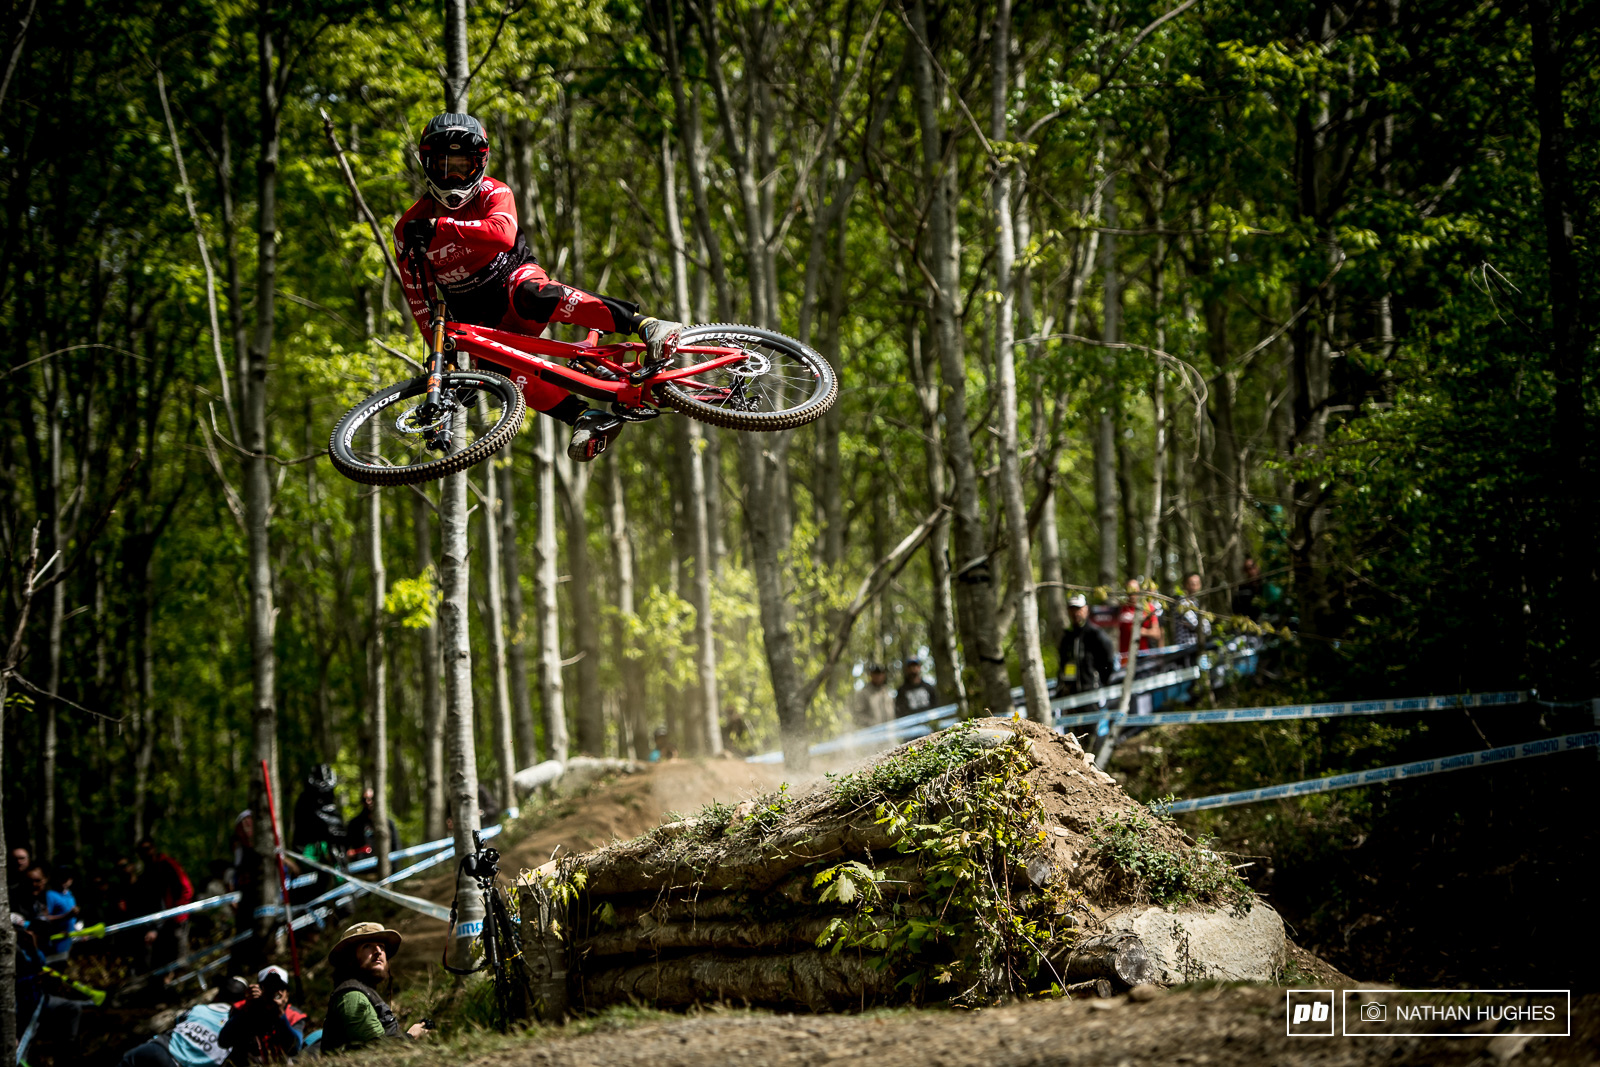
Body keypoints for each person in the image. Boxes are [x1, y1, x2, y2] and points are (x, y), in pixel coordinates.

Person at [394, 112, 685, 463]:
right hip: (478, 319)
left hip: (513, 282)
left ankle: (647, 325)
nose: (452, 176)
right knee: (500, 371)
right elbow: (421, 300)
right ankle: (586, 417)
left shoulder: (492, 192)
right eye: (443, 166)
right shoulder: (409, 227)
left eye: (461, 165)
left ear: (479, 164)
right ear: (427, 165)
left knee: (534, 295)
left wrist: (439, 227)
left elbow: (502, 233)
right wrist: (446, 360)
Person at [320, 922, 428, 1054]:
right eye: (367, 946)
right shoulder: (352, 996)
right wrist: (411, 1036)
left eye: (381, 946)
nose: (378, 952)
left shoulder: (364, 992)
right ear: (350, 958)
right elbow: (376, 1050)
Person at [115, 976, 248, 1067]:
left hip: (157, 1049)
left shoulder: (199, 1009)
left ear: (217, 994)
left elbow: (177, 1022)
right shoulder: (240, 1028)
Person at [218, 966, 306, 1063]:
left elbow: (295, 1048)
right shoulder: (244, 1008)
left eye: (279, 988)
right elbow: (224, 1041)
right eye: (268, 987)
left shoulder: (293, 1015)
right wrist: (247, 1010)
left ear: (287, 994)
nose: (273, 992)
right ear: (259, 990)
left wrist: (280, 1015)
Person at [137, 837, 194, 971]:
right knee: (164, 958)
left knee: (181, 956)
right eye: (142, 850)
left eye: (148, 849)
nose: (146, 853)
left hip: (177, 918)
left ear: (154, 848)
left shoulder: (167, 864)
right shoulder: (147, 873)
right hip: (161, 922)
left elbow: (187, 888)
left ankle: (186, 983)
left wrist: (179, 910)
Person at [1058, 594, 1116, 693]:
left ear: (1086, 609)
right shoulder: (1067, 637)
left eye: (1078, 609)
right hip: (1072, 693)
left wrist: (1102, 682)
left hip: (1093, 691)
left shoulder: (1095, 634)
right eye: (1072, 609)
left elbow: (1109, 660)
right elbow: (1063, 664)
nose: (1076, 613)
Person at [345, 787, 401, 861]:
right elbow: (346, 848)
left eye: (371, 799)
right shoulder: (354, 824)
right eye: (365, 799)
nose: (369, 802)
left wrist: (392, 868)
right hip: (361, 869)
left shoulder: (388, 824)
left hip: (384, 869)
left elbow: (396, 847)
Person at [1115, 579, 1163, 659]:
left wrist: (1141, 631)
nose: (1132, 593)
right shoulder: (1121, 609)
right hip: (1124, 656)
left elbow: (1157, 634)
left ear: (1139, 590)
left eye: (1134, 590)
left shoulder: (1148, 608)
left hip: (1142, 654)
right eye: (1129, 589)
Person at [1173, 572, 1211, 649]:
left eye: (1197, 583)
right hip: (1185, 647)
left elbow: (1208, 630)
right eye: (1191, 583)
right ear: (1185, 585)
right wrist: (1202, 625)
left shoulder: (1197, 603)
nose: (1194, 586)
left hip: (1197, 645)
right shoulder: (1182, 602)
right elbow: (1195, 624)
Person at [850, 664, 894, 729]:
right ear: (871, 675)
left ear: (884, 675)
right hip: (872, 735)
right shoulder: (864, 693)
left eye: (880, 673)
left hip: (889, 734)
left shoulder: (887, 693)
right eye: (875, 673)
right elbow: (857, 716)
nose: (878, 676)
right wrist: (872, 723)